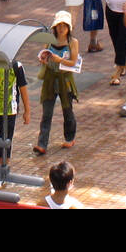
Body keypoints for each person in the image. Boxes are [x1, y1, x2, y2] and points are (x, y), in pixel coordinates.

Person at [33, 10, 80, 154]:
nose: (61, 29)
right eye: (59, 26)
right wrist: (43, 59)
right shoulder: (49, 40)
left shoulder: (73, 42)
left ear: (68, 28)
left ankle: (69, 137)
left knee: (67, 110)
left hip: (65, 79)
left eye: (64, 26)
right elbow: (43, 55)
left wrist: (60, 60)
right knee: (47, 112)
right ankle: (42, 144)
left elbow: (73, 62)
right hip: (50, 78)